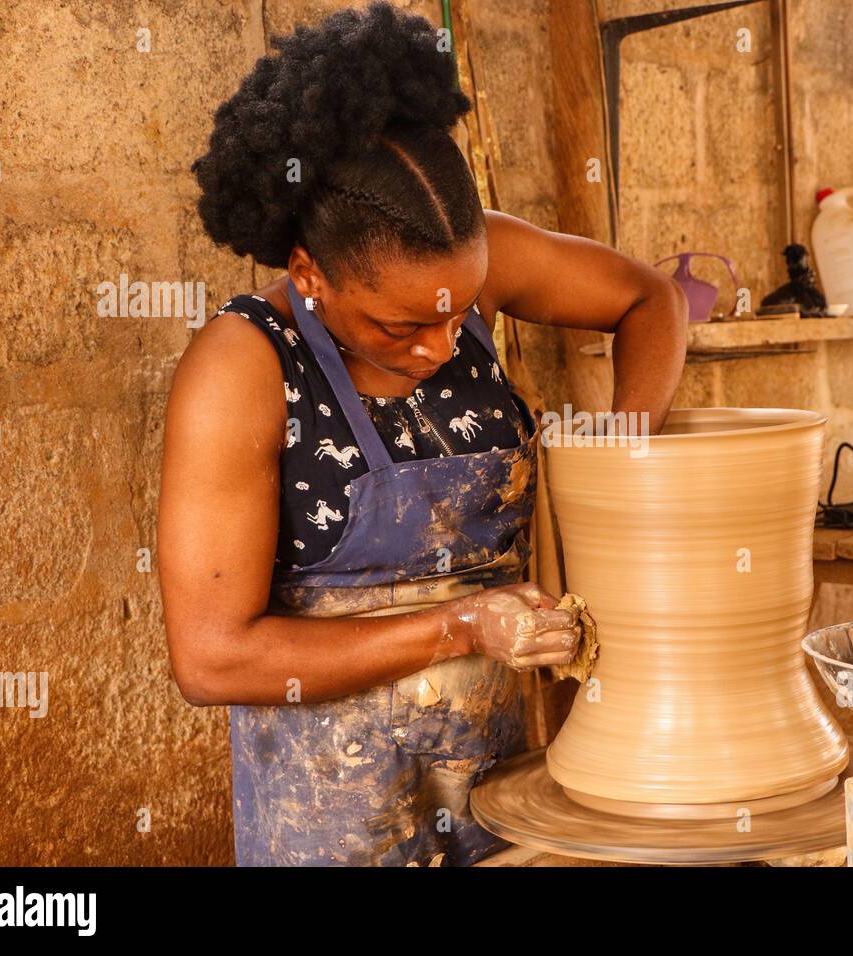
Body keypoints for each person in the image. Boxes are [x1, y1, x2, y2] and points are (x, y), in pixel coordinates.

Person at [158, 2, 687, 866]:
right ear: (310, 275)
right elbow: (212, 659)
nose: (444, 344)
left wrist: (626, 449)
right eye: (403, 326)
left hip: (499, 782)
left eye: (459, 310)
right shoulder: (243, 367)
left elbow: (648, 298)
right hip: (330, 811)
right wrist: (462, 627)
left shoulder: (450, 282)